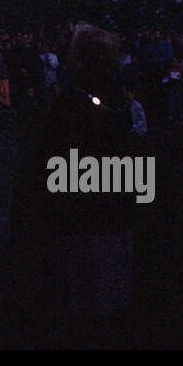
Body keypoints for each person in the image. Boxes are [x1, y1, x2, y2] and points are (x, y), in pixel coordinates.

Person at [36, 23, 136, 347]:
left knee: (85, 277)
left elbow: (52, 150)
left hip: (81, 199)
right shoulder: (118, 95)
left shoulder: (74, 99)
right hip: (113, 191)